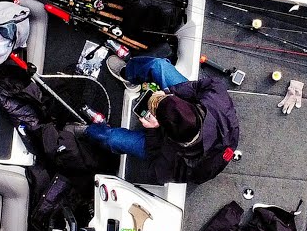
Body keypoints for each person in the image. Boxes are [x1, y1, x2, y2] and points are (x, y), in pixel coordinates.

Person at [84, 55, 239, 184]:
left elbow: (156, 163)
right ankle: (127, 74)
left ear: (166, 131)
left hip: (168, 149)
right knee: (158, 66)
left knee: (113, 139)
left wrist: (152, 132)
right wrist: (170, 92)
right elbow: (201, 86)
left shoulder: (178, 162)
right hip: (203, 130)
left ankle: (87, 131)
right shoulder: (217, 99)